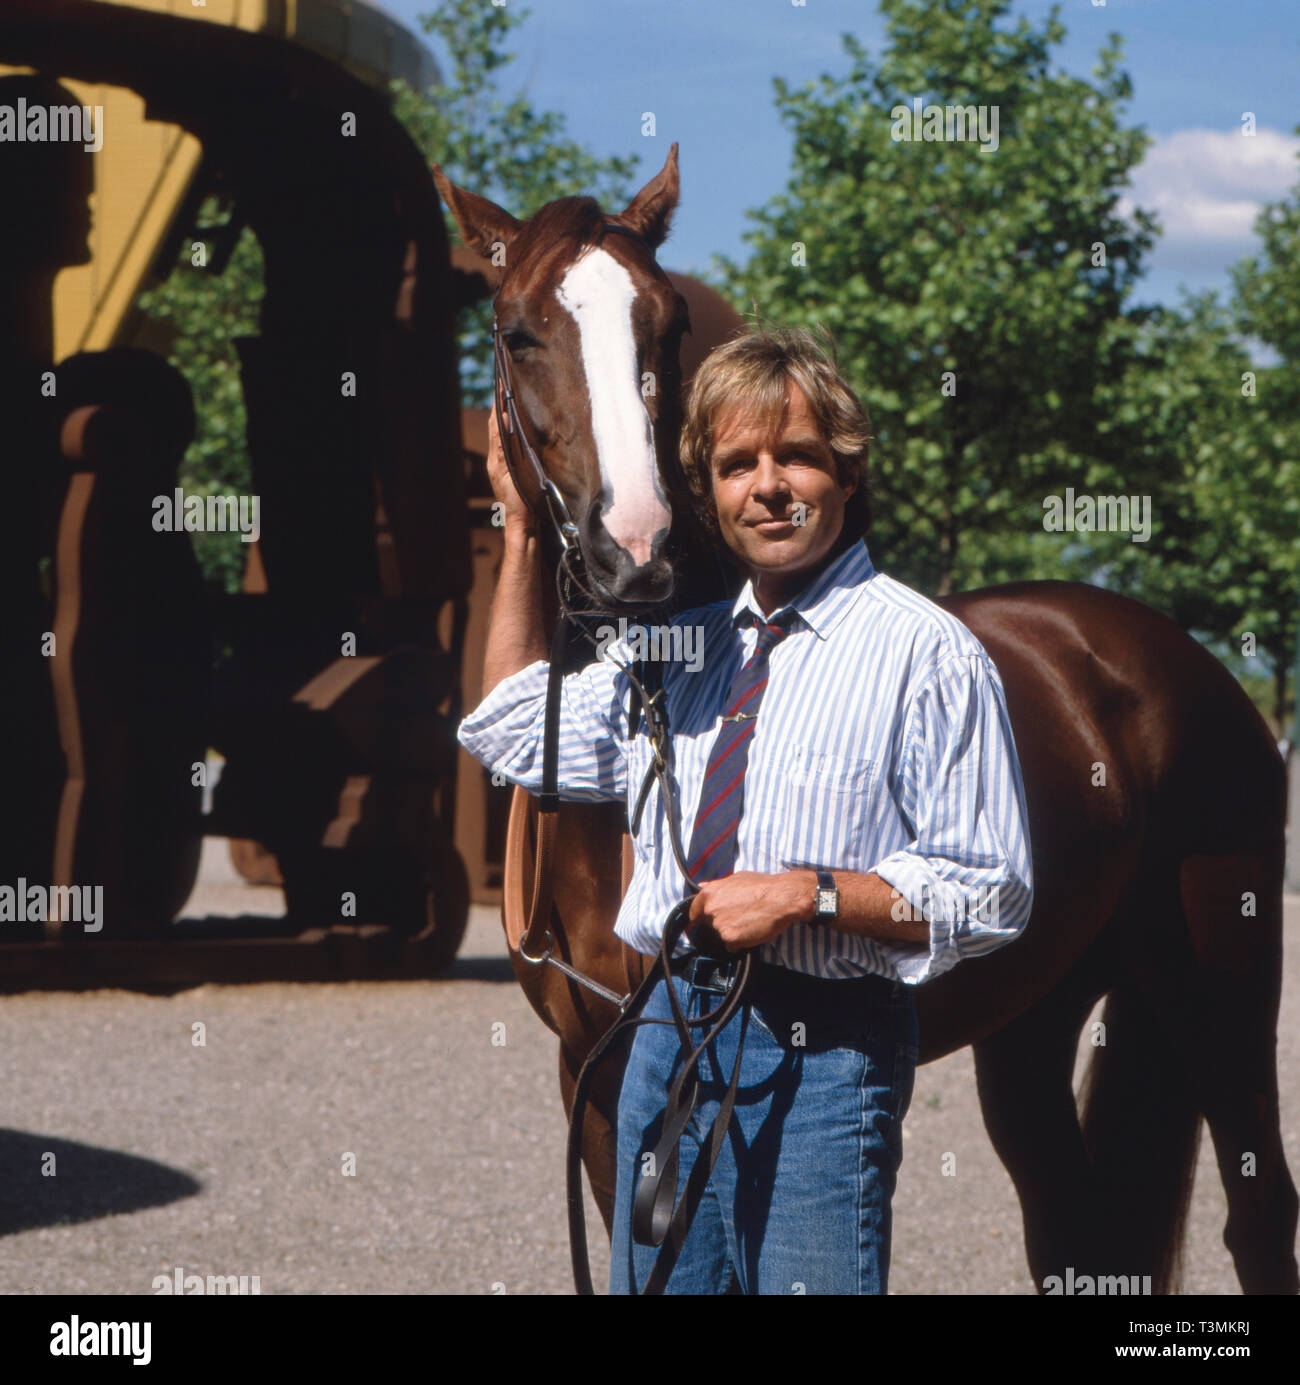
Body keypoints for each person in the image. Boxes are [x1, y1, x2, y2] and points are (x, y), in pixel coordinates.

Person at [458, 324, 1034, 1294]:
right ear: (708, 495)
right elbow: (510, 731)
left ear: (845, 477)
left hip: (824, 1055)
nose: (766, 484)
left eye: (797, 455)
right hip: (665, 1041)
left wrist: (805, 895)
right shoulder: (678, 654)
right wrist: (517, 534)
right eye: (736, 464)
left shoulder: (923, 653)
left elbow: (991, 888)